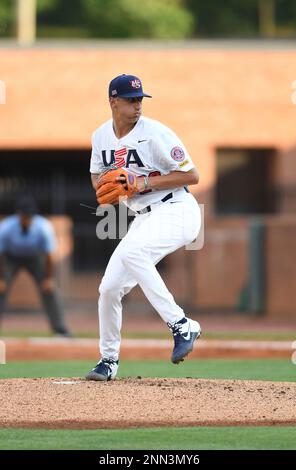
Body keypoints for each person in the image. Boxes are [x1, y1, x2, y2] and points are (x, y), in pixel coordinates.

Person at [86, 74, 201, 381]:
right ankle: (108, 360)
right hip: (144, 217)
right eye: (130, 100)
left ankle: (181, 324)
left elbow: (192, 176)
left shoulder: (155, 133)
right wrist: (107, 189)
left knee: (135, 254)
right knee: (109, 288)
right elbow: (98, 175)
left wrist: (143, 182)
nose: (137, 106)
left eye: (140, 100)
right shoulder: (100, 137)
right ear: (113, 101)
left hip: (178, 208)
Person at [0, 196, 71, 337]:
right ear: (19, 215)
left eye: (30, 216)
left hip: (35, 257)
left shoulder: (43, 227)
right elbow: (0, 254)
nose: (27, 219)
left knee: (50, 290)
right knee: (0, 289)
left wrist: (48, 278)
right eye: (24, 215)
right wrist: (1, 278)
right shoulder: (6, 227)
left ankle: (60, 328)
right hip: (10, 258)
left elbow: (49, 255)